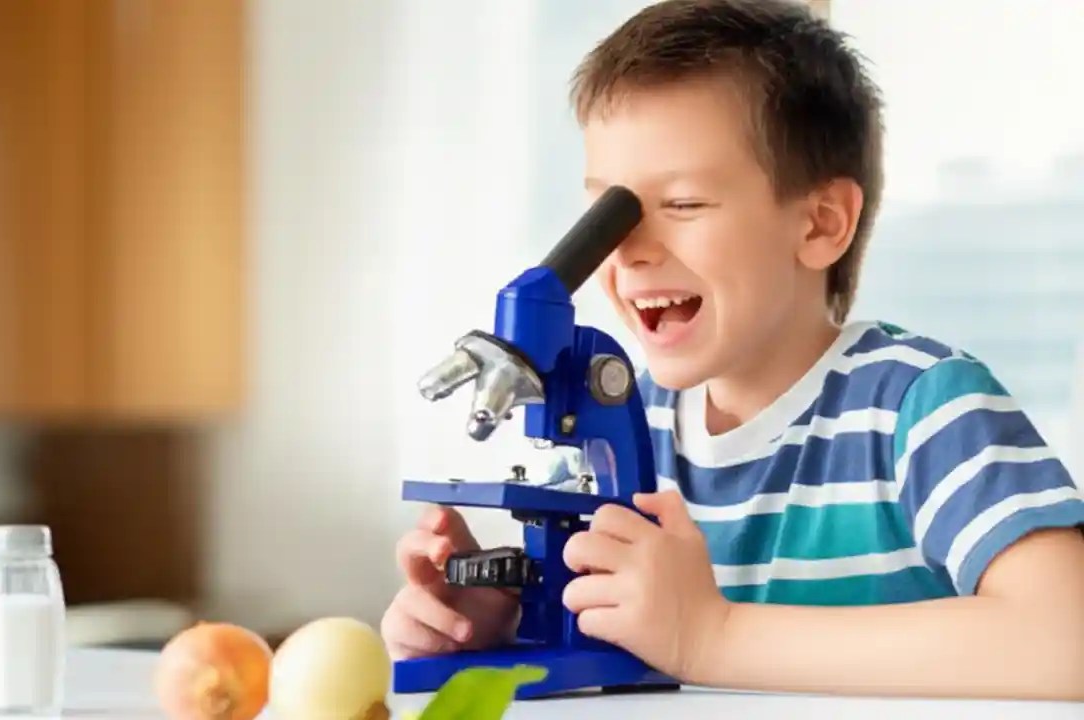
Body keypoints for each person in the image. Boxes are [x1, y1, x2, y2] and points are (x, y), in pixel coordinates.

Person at [380, 0, 1084, 701]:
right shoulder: (623, 425)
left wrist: (712, 636)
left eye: (683, 204)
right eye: (606, 213)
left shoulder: (921, 409)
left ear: (820, 224)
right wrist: (495, 622)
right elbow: (593, 633)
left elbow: (1067, 641)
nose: (629, 250)